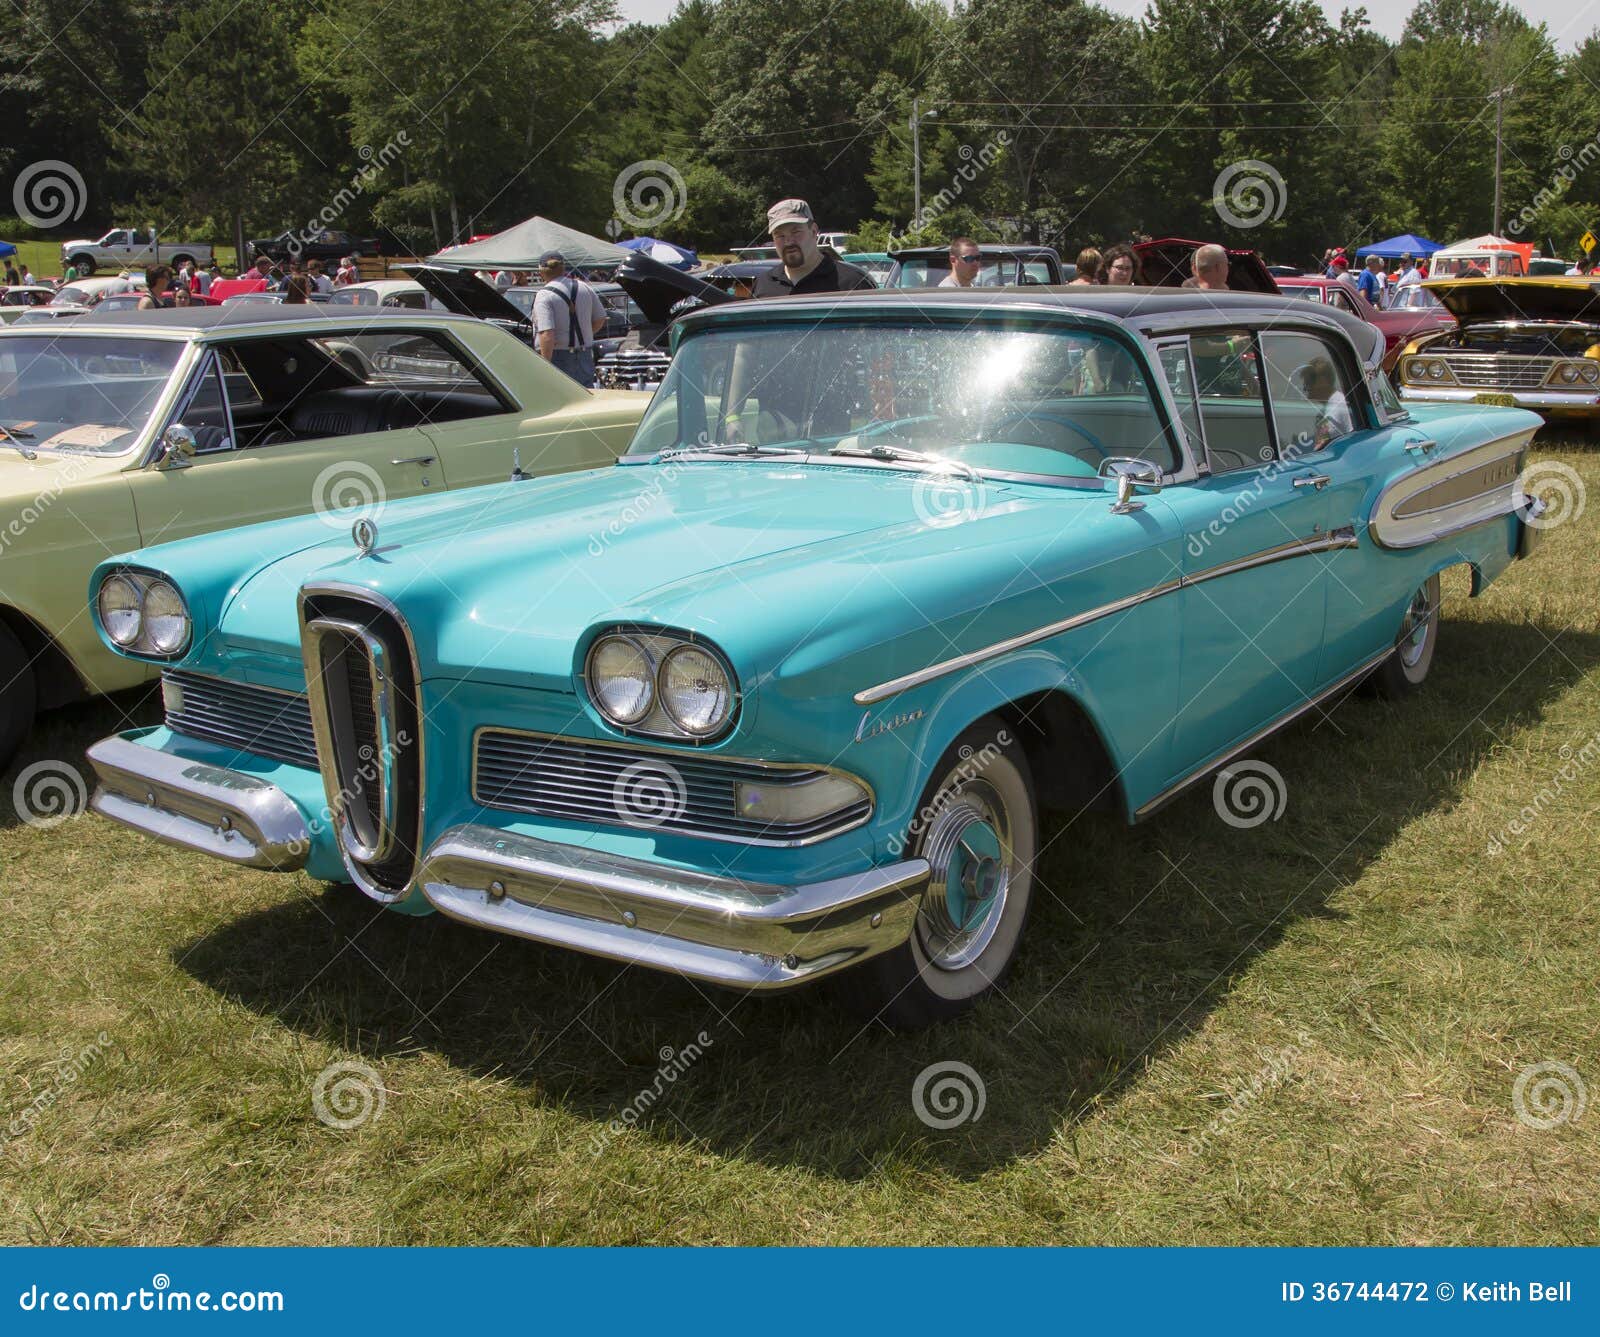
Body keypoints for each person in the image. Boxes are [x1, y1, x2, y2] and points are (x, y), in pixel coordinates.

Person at [750, 198, 876, 297]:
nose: (788, 242)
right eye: (780, 235)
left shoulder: (853, 283)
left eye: (796, 232)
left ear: (814, 231)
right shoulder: (763, 285)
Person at [532, 249, 605, 386]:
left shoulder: (544, 295)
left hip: (558, 357)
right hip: (584, 355)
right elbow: (600, 319)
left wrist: (545, 366)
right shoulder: (584, 287)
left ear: (541, 272)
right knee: (586, 399)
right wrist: (584, 335)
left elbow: (547, 334)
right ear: (563, 268)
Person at [1299, 356, 1352, 449]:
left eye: (1308, 384)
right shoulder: (1333, 400)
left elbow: (1321, 439)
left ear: (1322, 381)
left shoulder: (1336, 402)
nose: (1306, 391)